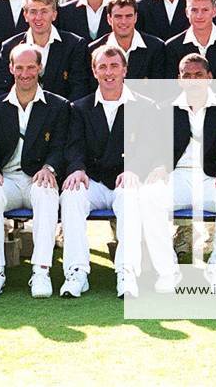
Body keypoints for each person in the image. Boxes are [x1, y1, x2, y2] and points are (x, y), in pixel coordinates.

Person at [59, 45, 154, 298]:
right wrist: (77, 169)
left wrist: (135, 169)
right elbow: (73, 145)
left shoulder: (145, 106)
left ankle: (127, 273)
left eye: (114, 66)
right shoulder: (79, 107)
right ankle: (77, 271)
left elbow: (149, 147)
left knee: (132, 196)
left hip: (127, 181)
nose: (109, 72)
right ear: (94, 71)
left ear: (125, 69)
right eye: (102, 66)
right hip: (94, 181)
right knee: (71, 194)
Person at [141, 54, 216, 289]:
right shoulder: (163, 108)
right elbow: (152, 144)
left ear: (209, 78)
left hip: (212, 176)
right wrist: (158, 164)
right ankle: (168, 271)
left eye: (198, 75)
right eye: (187, 76)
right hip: (176, 175)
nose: (193, 80)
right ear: (179, 79)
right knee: (148, 197)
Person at [0, 44, 69, 298]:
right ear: (10, 68)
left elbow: (60, 145)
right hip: (6, 178)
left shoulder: (58, 105)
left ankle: (41, 272)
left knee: (47, 192)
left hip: (37, 176)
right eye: (19, 67)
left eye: (31, 67)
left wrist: (49, 168)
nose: (25, 73)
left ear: (40, 68)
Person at [0, 0, 90, 100]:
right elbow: (2, 88)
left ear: (54, 15)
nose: (38, 17)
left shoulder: (74, 45)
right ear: (25, 15)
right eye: (33, 12)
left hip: (62, 114)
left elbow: (79, 88)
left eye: (44, 11)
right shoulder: (10, 46)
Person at [87, 0, 166, 82]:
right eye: (118, 16)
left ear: (135, 17)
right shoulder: (93, 49)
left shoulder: (156, 47)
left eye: (128, 16)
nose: (123, 22)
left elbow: (158, 89)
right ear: (109, 19)